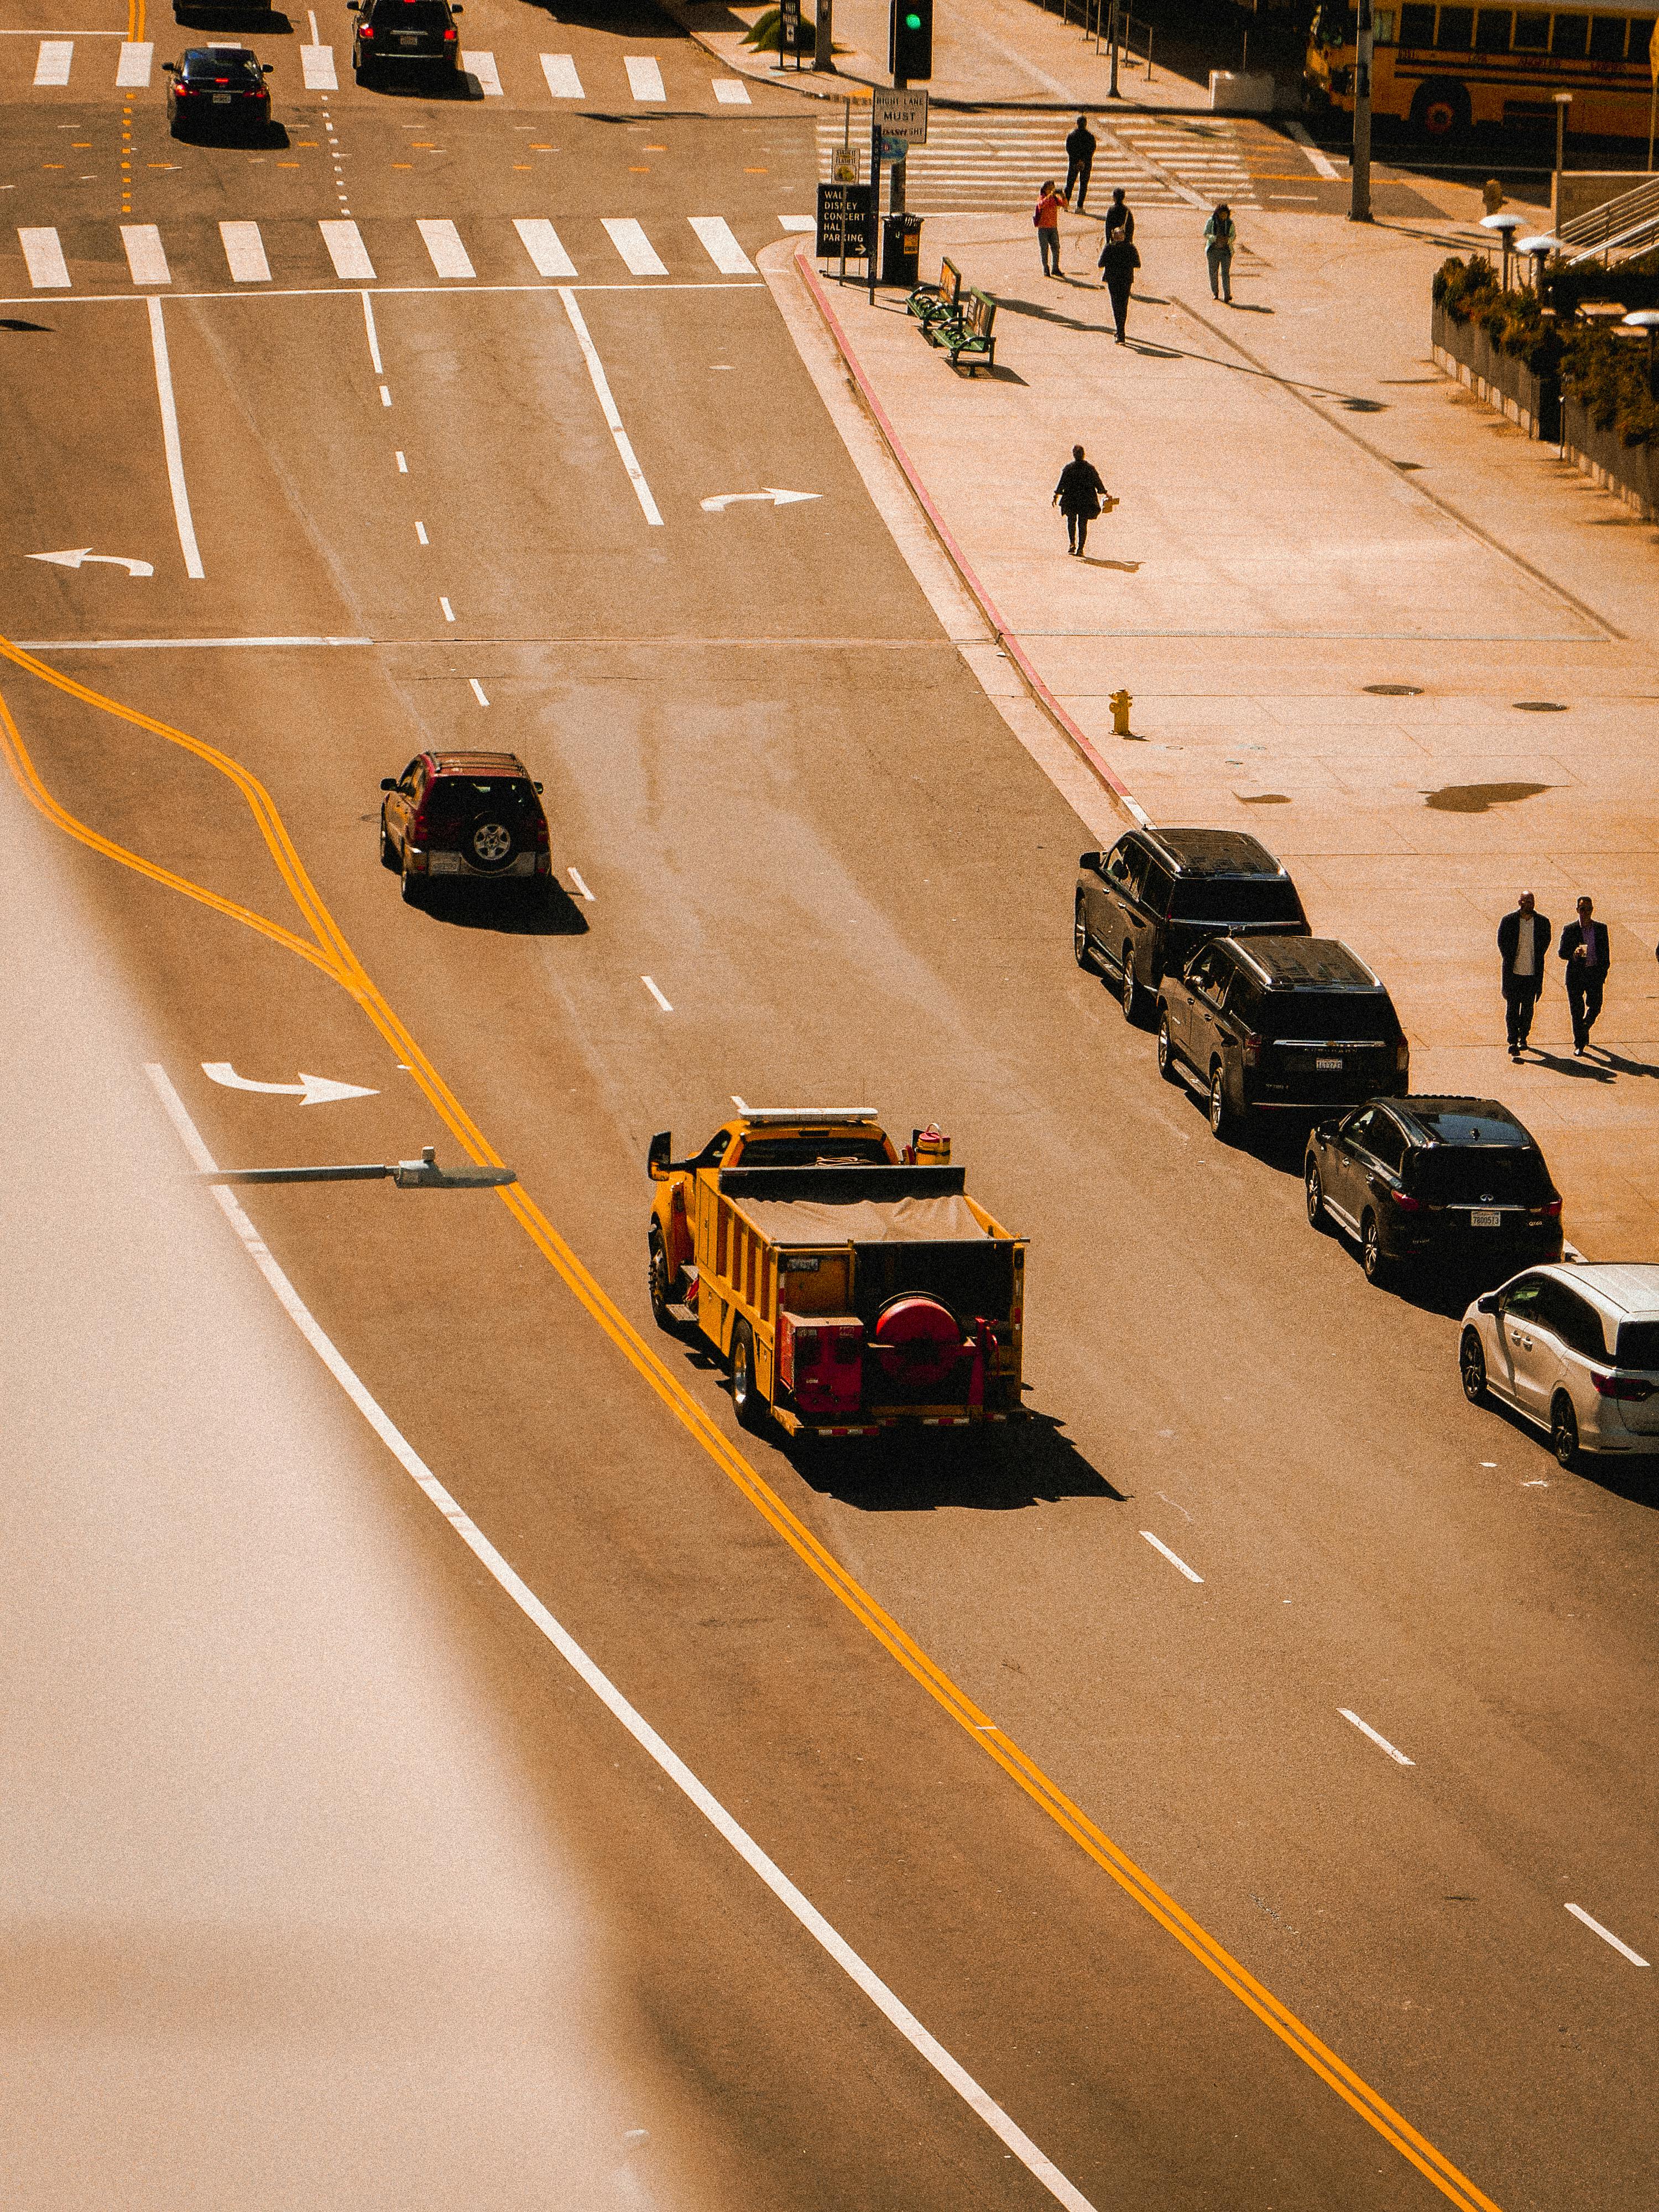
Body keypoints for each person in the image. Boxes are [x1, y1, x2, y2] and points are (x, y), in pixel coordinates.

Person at [1498, 890, 1552, 1058]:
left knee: (1528, 1009)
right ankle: (1513, 1041)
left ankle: (1524, 1037)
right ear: (1520, 903)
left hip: (1532, 974)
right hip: (1514, 973)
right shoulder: (1509, 921)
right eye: (1527, 901)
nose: (1531, 904)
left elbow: (1545, 944)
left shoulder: (1542, 923)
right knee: (1512, 1009)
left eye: (1532, 901)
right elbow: (1502, 943)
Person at [1558, 894, 1611, 1055]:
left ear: (1592, 910)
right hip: (1576, 976)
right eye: (1582, 909)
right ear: (1577, 910)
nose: (1585, 912)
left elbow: (1606, 955)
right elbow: (1562, 953)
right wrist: (1573, 955)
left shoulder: (1601, 929)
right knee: (1577, 1010)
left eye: (1588, 909)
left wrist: (1602, 975)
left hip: (1594, 974)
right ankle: (1579, 1043)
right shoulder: (1570, 929)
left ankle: (1584, 1027)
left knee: (1596, 1006)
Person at [1052, 445, 1109, 556]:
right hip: (1086, 500)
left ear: (1074, 455)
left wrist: (1056, 495)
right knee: (1083, 524)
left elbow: (1062, 484)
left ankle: (1072, 544)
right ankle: (1080, 549)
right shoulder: (1090, 469)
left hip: (1071, 500)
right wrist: (1106, 493)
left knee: (1071, 521)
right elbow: (1098, 483)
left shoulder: (1069, 468)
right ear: (1084, 455)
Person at [1097, 194, 1137, 343]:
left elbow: (1101, 264)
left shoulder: (1109, 248)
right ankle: (1122, 331)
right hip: (1126, 278)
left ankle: (1120, 332)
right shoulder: (1128, 212)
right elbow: (1137, 263)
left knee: (1116, 304)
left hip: (1113, 278)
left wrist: (1109, 243)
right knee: (1124, 305)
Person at [1204, 201, 1237, 303]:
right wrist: (1214, 238)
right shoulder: (1211, 221)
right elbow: (1206, 233)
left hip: (1226, 251)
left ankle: (1227, 295)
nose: (1223, 217)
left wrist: (1228, 240)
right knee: (1213, 273)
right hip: (1213, 250)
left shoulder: (1230, 223)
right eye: (1222, 215)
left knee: (1225, 273)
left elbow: (1233, 235)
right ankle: (1216, 293)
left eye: (1225, 215)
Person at [1034, 179, 1066, 278]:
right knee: (1044, 249)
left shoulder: (1055, 199)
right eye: (1051, 187)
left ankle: (1055, 268)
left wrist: (1062, 195)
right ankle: (1046, 269)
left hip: (1053, 227)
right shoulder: (1042, 197)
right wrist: (1050, 196)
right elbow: (1041, 205)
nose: (1053, 189)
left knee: (1056, 248)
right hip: (1043, 228)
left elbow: (1065, 204)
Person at [1065, 115, 1097, 212]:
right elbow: (1092, 149)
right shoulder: (1090, 136)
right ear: (1085, 124)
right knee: (1083, 185)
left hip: (1074, 163)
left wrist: (1076, 160)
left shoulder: (1072, 135)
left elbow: (1069, 149)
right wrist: (1083, 160)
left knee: (1070, 183)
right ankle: (1079, 206)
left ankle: (1066, 204)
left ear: (1077, 124)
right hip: (1086, 163)